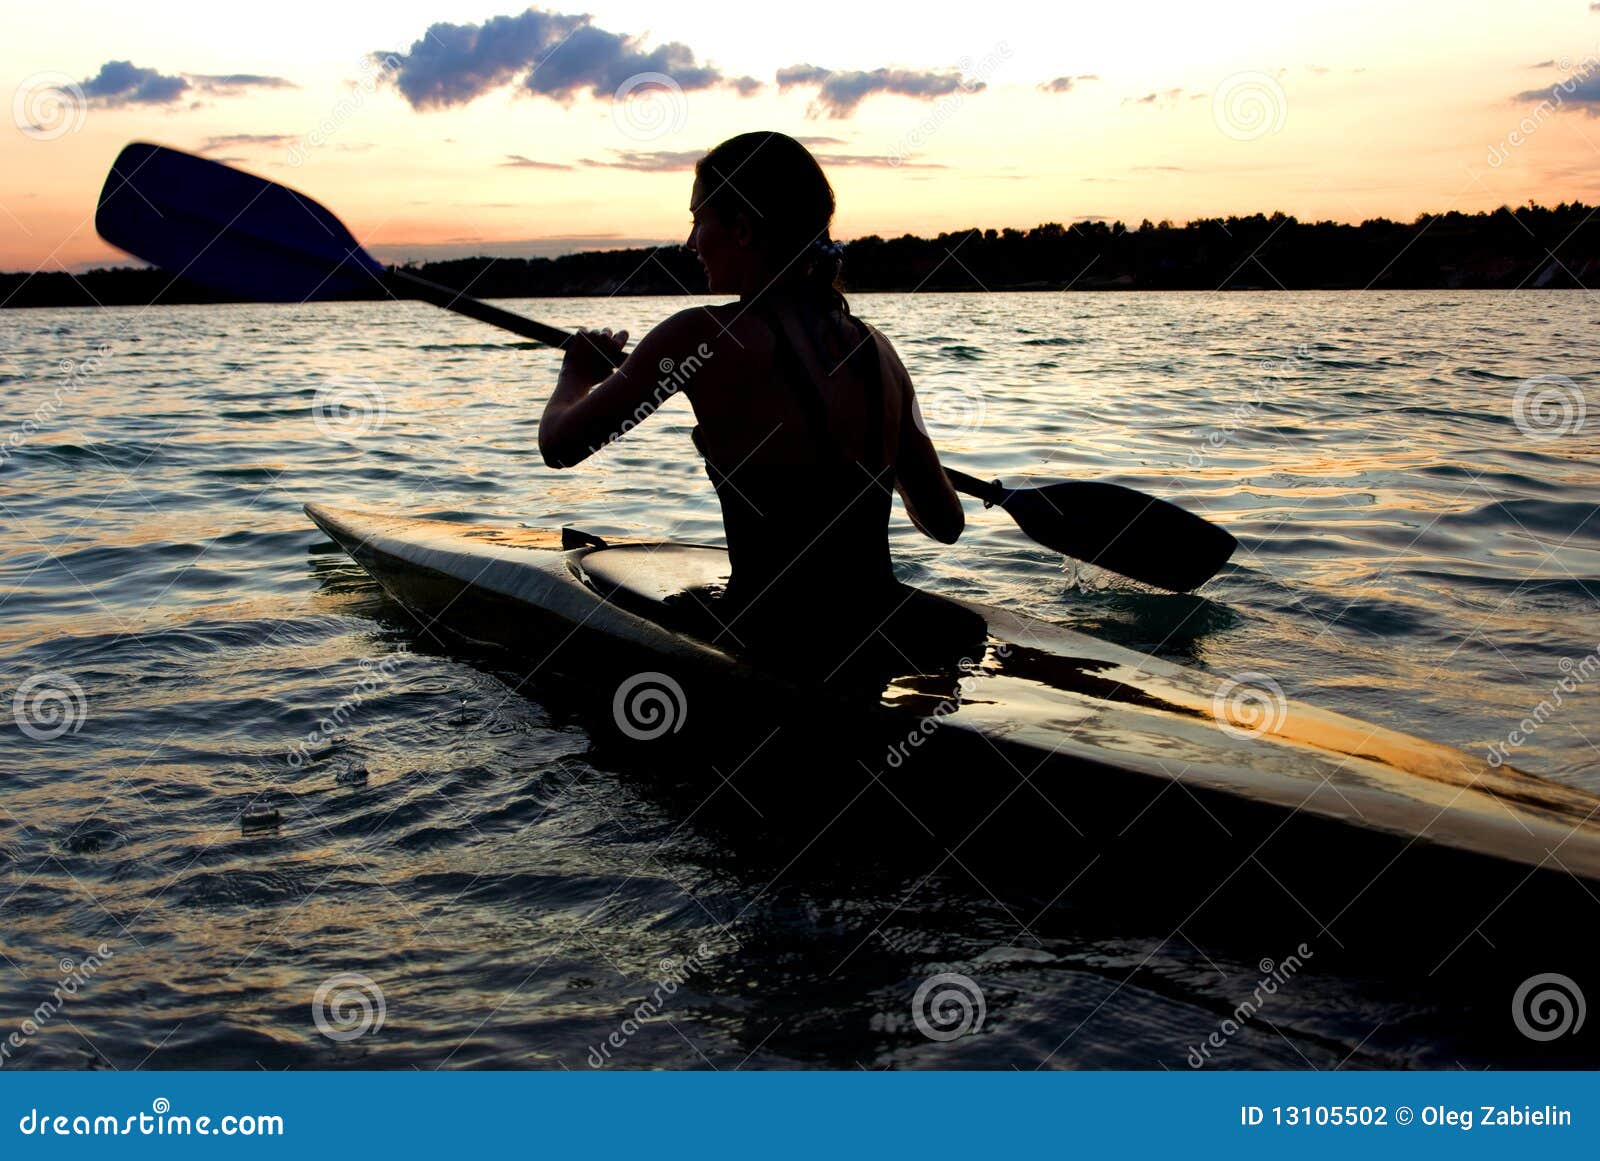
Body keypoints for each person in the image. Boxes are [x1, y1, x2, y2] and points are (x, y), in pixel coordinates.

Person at [539, 131, 971, 686]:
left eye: (699, 219)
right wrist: (890, 465)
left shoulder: (697, 339)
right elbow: (946, 522)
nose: (691, 241)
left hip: (772, 638)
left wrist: (577, 374)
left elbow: (560, 445)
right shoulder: (880, 354)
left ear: (742, 229)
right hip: (878, 638)